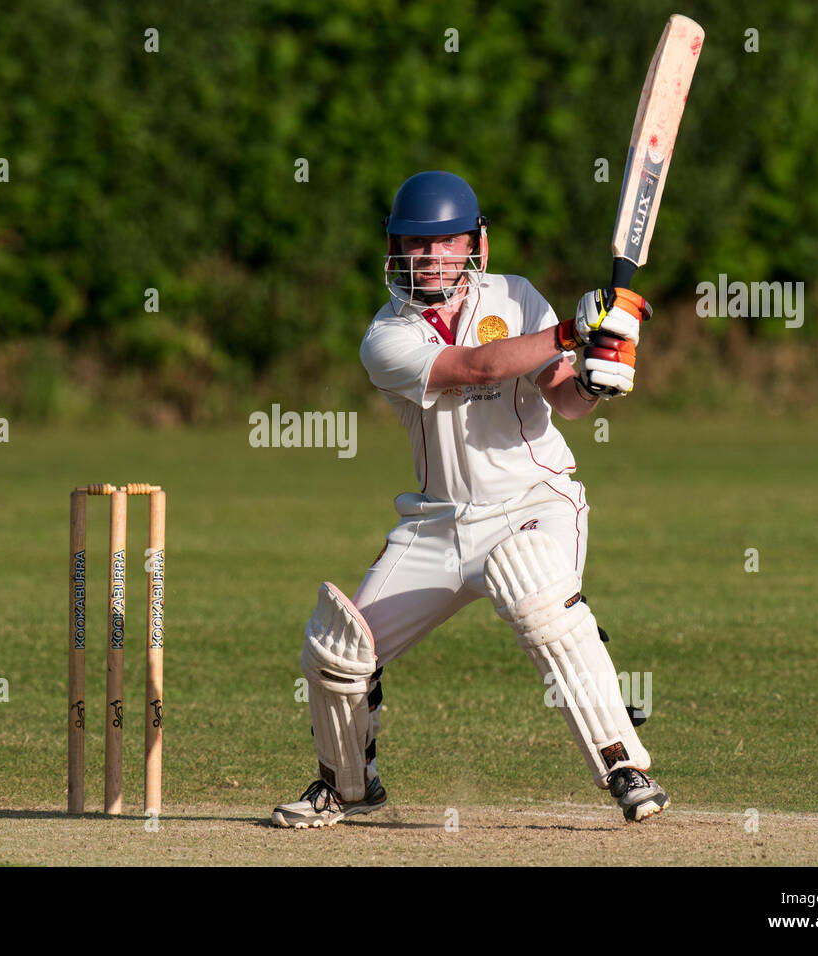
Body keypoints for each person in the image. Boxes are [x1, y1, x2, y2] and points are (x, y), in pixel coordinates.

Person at [271, 171, 668, 827]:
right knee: (336, 647)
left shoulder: (515, 297)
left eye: (446, 243)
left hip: (536, 502)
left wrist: (598, 371)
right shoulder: (386, 336)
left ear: (474, 245)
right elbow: (474, 369)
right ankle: (346, 786)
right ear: (395, 250)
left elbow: (565, 400)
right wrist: (574, 328)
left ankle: (626, 767)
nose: (430, 258)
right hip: (438, 523)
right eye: (415, 245)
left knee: (534, 589)